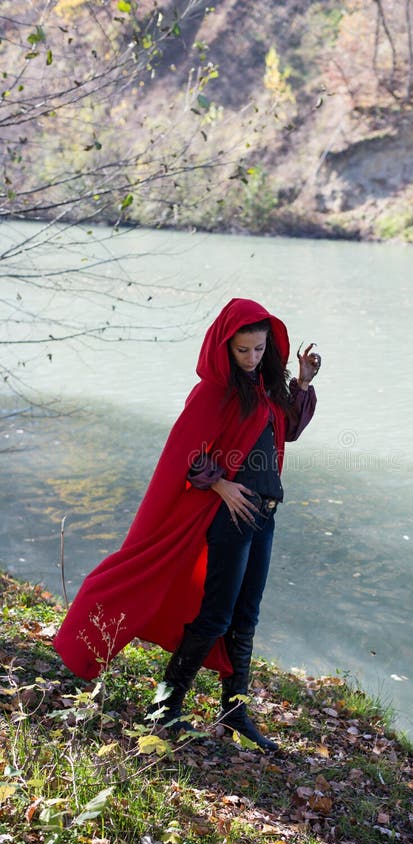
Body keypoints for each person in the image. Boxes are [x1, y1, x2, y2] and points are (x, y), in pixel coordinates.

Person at [53, 298, 320, 751]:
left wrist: (304, 383)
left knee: (246, 616)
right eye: (244, 351)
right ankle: (166, 707)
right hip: (229, 517)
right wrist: (221, 487)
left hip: (264, 516)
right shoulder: (214, 392)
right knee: (216, 614)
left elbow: (286, 429)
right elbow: (186, 454)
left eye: (259, 349)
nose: (252, 359)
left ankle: (235, 711)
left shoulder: (268, 388)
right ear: (225, 347)